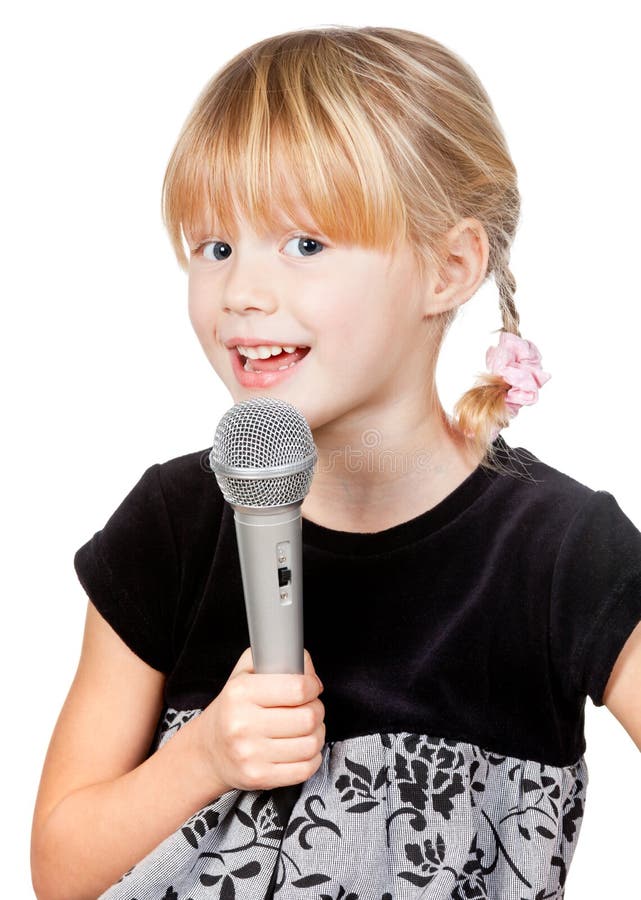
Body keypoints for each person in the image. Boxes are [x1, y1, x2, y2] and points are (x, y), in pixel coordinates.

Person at [31, 25, 641, 900]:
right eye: (214, 247)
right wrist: (203, 756)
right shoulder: (170, 523)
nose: (241, 291)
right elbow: (60, 869)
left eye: (305, 245)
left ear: (449, 267)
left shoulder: (558, 549)